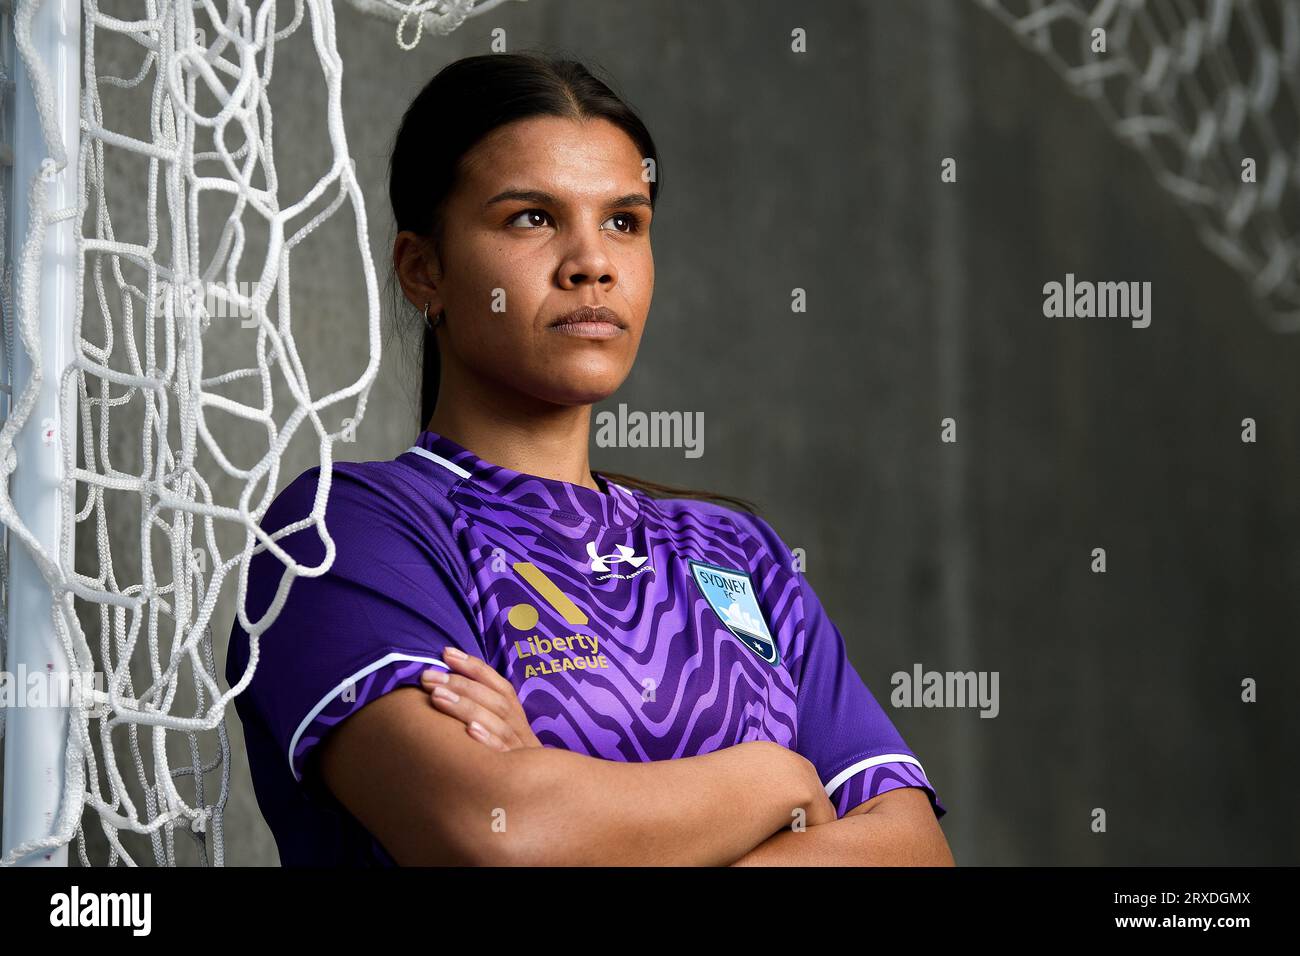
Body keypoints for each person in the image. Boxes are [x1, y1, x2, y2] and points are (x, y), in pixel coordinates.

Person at [225, 50, 953, 867]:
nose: (591, 262)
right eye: (531, 218)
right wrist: (773, 782)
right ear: (423, 270)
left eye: (624, 221)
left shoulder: (735, 553)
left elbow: (914, 851)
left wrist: (567, 791)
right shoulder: (343, 534)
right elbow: (498, 834)